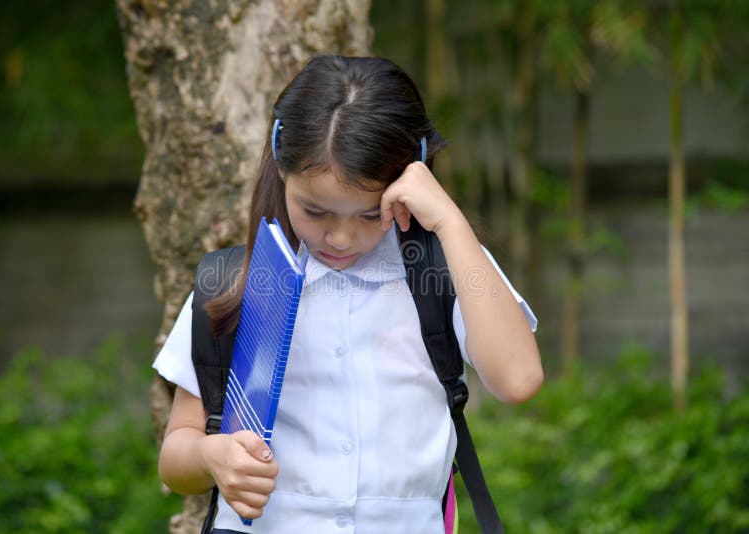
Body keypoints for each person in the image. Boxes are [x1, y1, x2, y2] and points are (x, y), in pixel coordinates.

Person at [153, 54, 543, 534]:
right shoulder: (238, 281)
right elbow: (176, 455)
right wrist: (211, 457)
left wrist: (447, 220)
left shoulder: (445, 268)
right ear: (281, 163)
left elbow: (518, 379)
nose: (340, 238)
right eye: (316, 211)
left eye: (366, 214)